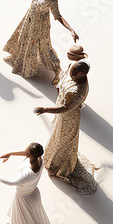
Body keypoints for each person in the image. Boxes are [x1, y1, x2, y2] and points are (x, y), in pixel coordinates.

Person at [0, 0, 79, 80]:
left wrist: (71, 30)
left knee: (41, 46)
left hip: (40, 26)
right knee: (23, 38)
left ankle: (53, 69)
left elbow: (58, 16)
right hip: (29, 20)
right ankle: (20, 61)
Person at [34, 61, 98, 195]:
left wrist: (45, 109)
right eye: (72, 69)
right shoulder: (75, 74)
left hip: (68, 118)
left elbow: (64, 108)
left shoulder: (74, 92)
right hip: (65, 114)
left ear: (82, 74)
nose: (71, 73)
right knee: (57, 136)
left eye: (75, 72)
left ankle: (59, 165)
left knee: (62, 141)